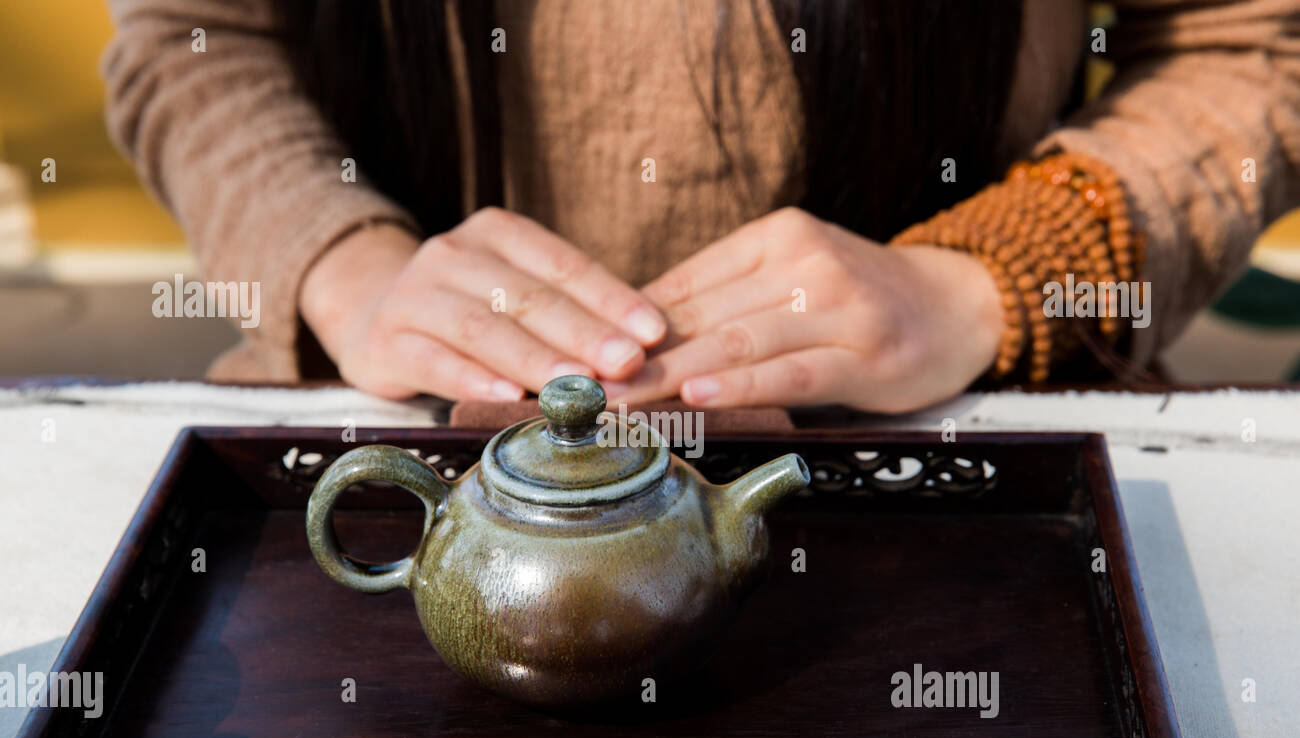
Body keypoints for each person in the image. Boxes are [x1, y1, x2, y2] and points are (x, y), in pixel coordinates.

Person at [102, 0, 1300, 411]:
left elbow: (1248, 46)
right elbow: (195, 40)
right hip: (394, 403)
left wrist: (985, 279)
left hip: (953, 408)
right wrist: (352, 268)